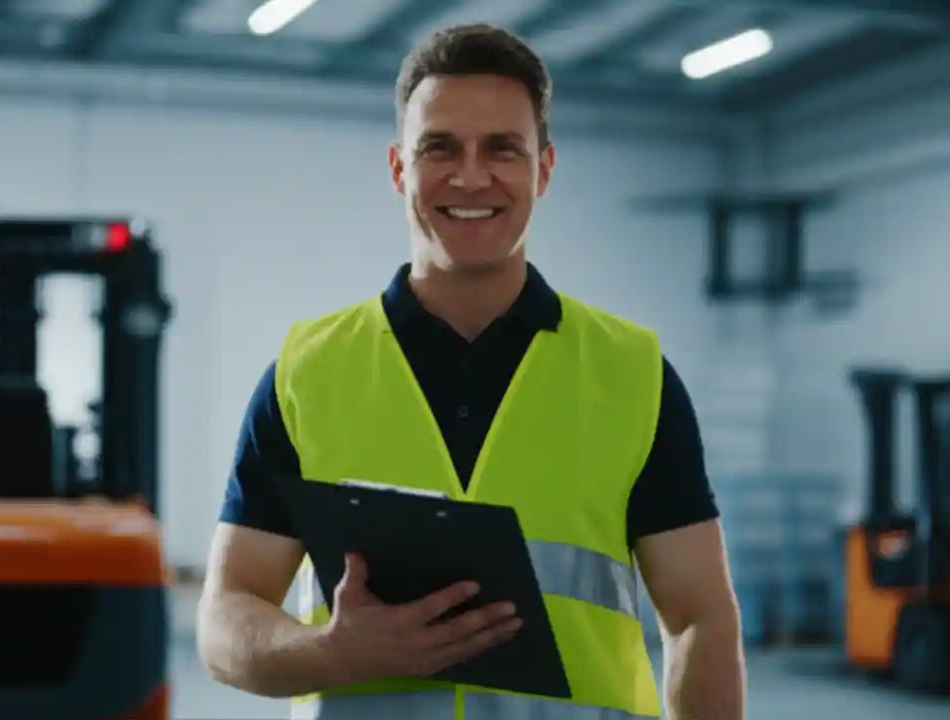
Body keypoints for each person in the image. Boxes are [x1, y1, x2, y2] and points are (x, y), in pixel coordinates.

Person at [195, 22, 746, 720]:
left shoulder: (633, 376)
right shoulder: (306, 374)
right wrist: (335, 653)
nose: (471, 176)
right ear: (399, 169)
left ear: (544, 169)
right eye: (440, 147)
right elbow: (224, 620)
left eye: (503, 150)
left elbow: (700, 619)